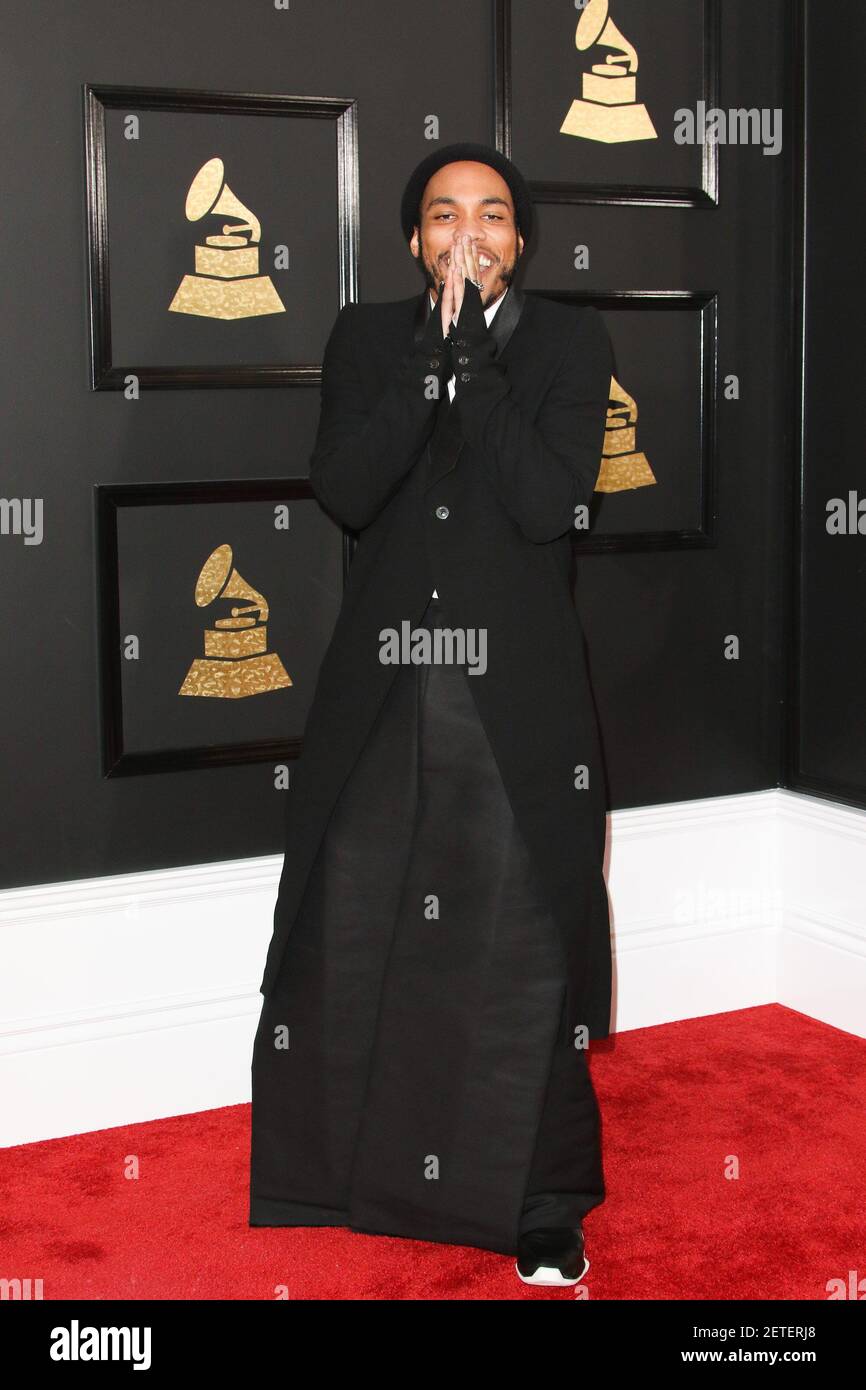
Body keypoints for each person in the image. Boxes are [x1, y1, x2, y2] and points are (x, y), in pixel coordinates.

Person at [249, 142, 614, 1287]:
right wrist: (428, 362)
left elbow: (546, 502)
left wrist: (480, 360)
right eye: (443, 214)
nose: (468, 231)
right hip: (386, 684)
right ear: (412, 240)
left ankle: (539, 1201)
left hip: (517, 695)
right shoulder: (367, 338)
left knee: (521, 944)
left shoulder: (565, 341)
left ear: (520, 239)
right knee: (351, 921)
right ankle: (343, 1174)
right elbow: (346, 489)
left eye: (492, 214)